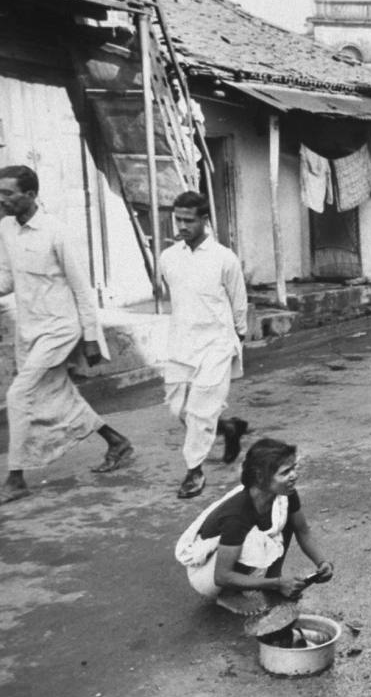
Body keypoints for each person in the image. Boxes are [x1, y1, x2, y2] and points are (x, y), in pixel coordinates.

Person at [0, 165, 133, 504]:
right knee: (59, 394)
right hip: (28, 332)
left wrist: (91, 336)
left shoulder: (56, 232)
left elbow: (82, 289)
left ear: (30, 195)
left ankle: (15, 478)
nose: (2, 200)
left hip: (60, 328)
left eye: (8, 193)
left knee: (19, 395)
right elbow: (7, 280)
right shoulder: (5, 229)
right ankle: (116, 441)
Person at [160, 191, 249, 499]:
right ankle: (228, 428)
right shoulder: (169, 258)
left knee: (200, 410)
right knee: (178, 408)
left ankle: (194, 472)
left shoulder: (224, 258)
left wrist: (240, 333)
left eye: (188, 220)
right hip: (182, 343)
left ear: (204, 220)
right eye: (178, 219)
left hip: (217, 343)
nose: (182, 225)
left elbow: (239, 300)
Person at [176, 437, 333, 610]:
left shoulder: (284, 494)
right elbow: (221, 576)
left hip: (225, 565)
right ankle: (229, 595)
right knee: (252, 537)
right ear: (261, 477)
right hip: (208, 574)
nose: (294, 475)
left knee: (284, 518)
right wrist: (277, 583)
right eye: (285, 472)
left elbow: (303, 531)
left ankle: (275, 577)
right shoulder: (237, 513)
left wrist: (322, 562)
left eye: (293, 468)